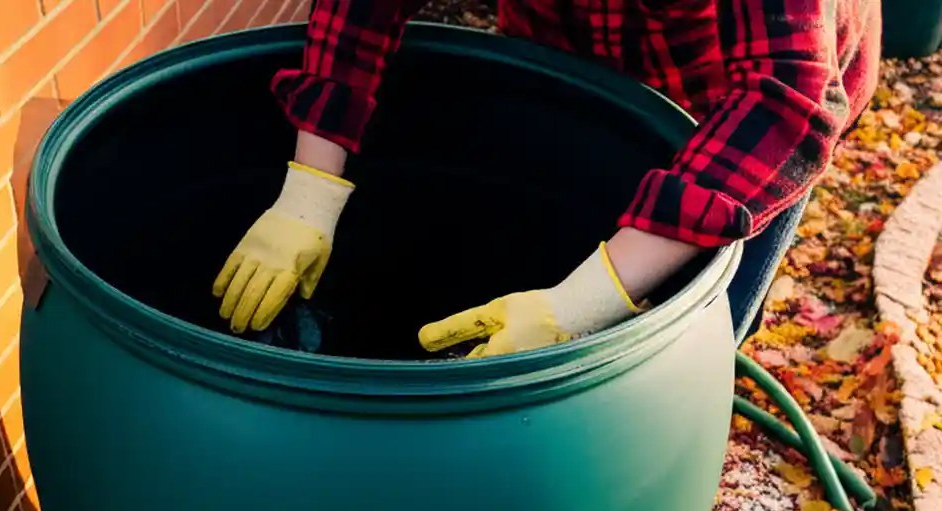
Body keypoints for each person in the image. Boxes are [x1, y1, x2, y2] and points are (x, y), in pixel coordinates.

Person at [211, 0, 880, 357]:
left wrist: (583, 302)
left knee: (692, 336)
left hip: (741, 117)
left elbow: (784, 98)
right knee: (532, 249)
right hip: (572, 48)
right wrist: (309, 195)